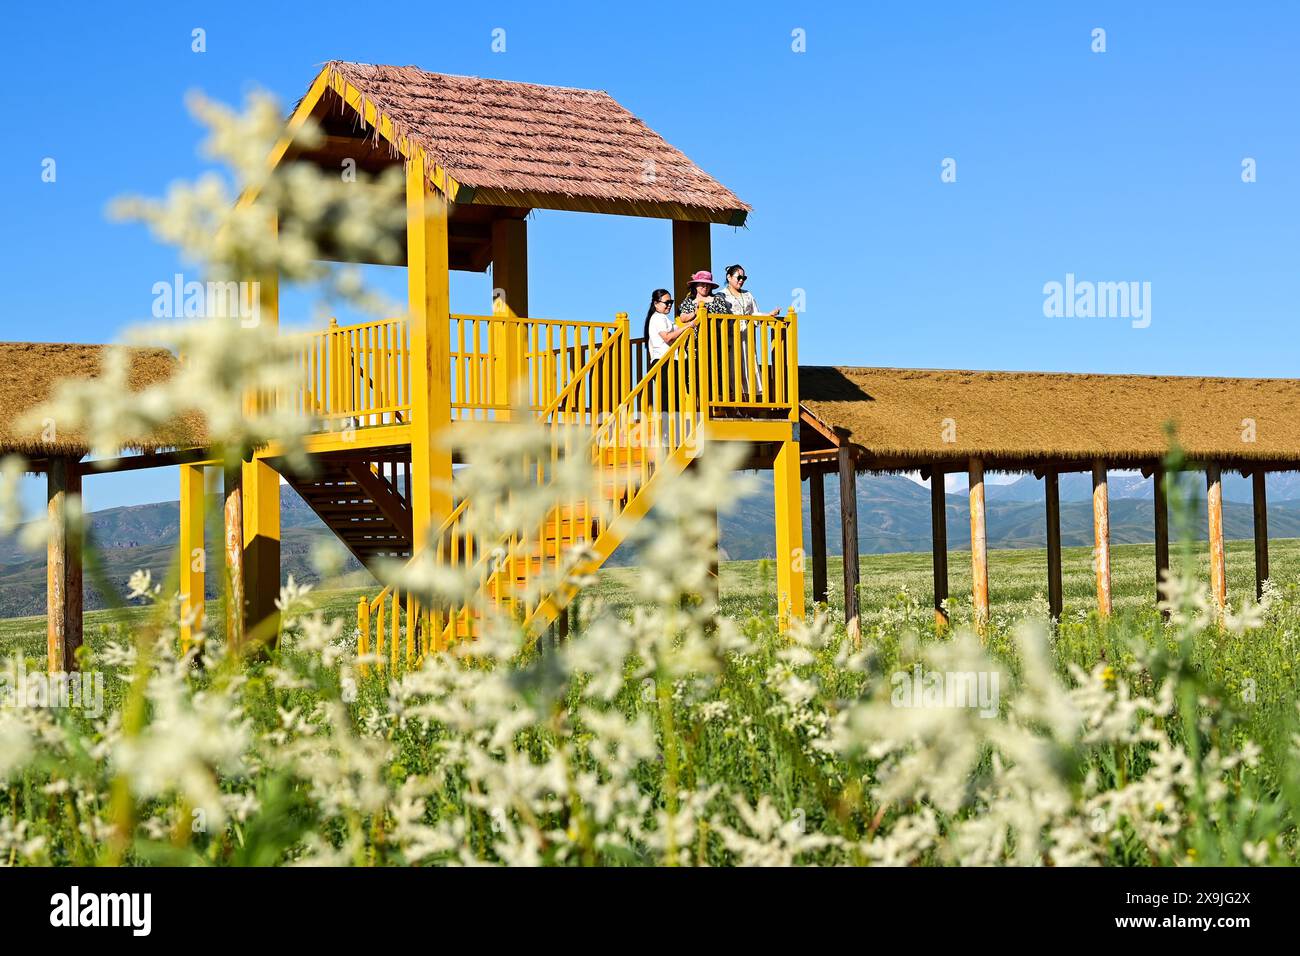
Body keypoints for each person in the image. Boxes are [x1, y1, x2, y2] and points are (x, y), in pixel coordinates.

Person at [644, 288, 685, 363]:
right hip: (664, 360)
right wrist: (687, 326)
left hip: (668, 359)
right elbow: (667, 337)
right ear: (656, 303)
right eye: (667, 302)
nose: (669, 305)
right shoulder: (658, 317)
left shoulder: (662, 318)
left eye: (671, 302)